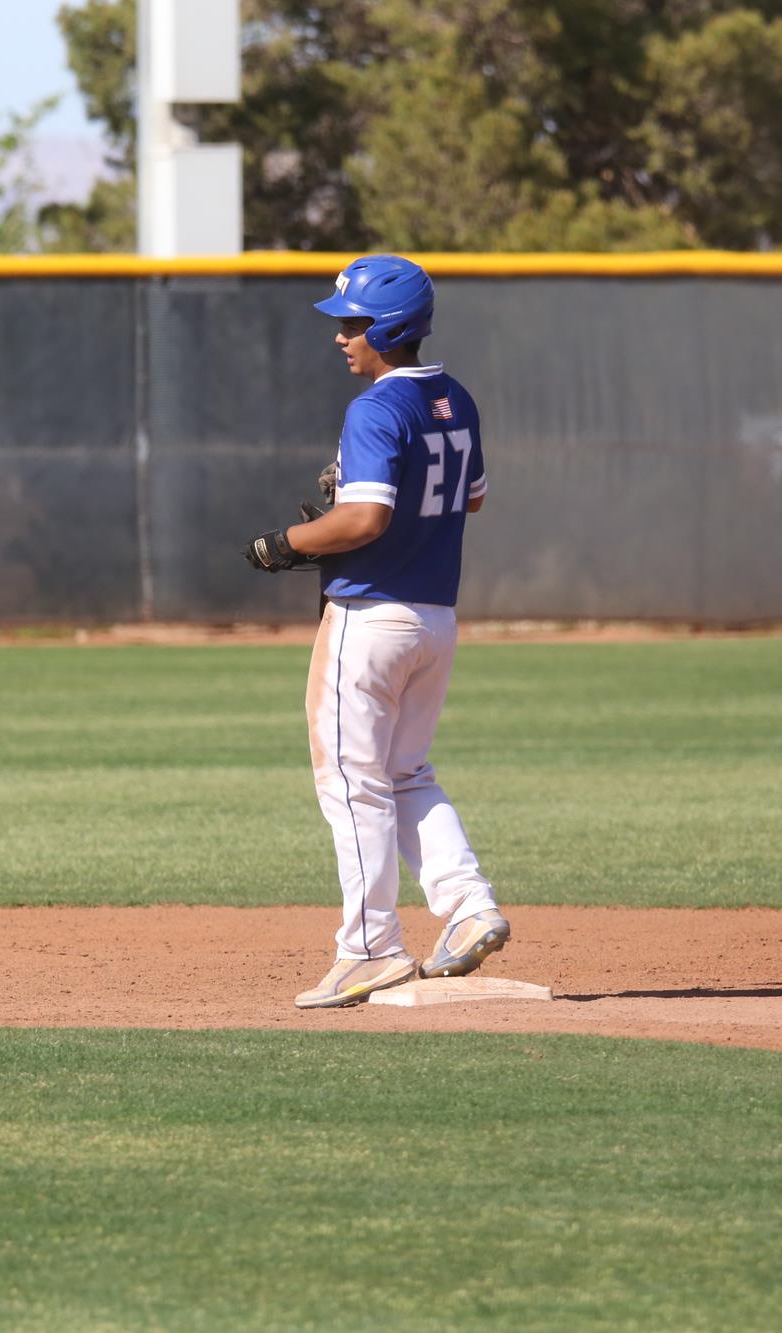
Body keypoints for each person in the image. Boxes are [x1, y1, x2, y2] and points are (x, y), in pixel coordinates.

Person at [242, 254, 510, 1009]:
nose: (341, 336)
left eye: (353, 323)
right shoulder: (455, 398)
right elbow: (473, 498)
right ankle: (467, 907)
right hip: (435, 618)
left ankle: (369, 949)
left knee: (353, 784)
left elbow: (366, 518)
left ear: (389, 326)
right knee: (405, 774)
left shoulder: (375, 409)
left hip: (369, 618)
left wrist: (290, 543)